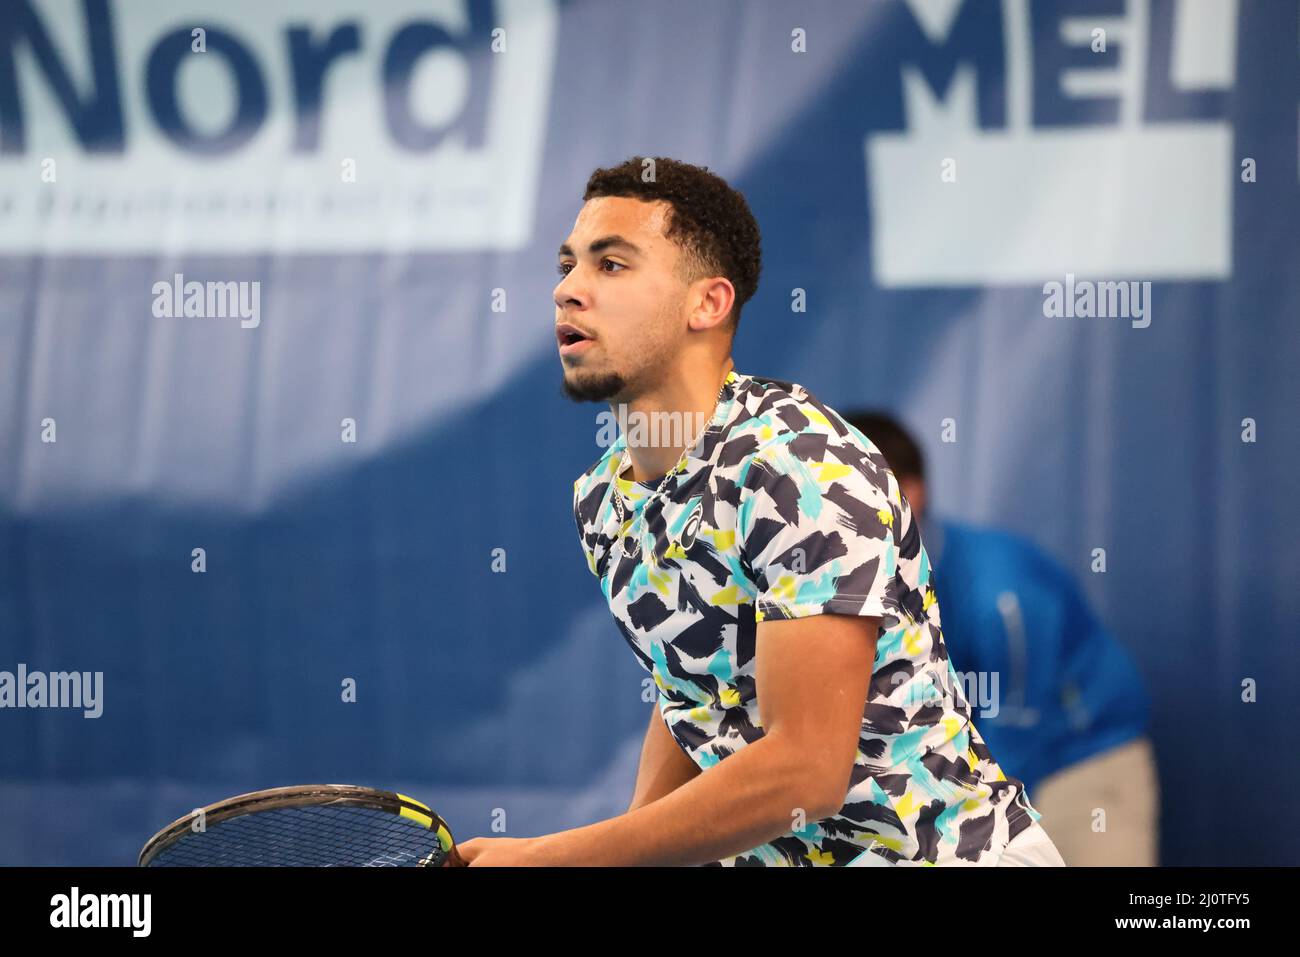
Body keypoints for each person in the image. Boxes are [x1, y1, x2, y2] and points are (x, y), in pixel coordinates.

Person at [457, 156, 1062, 866]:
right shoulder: (603, 499)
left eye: (611, 265)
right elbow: (693, 688)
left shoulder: (800, 466)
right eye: (567, 265)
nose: (568, 290)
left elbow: (805, 771)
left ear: (707, 303)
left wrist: (555, 859)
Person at [838, 412, 1158, 867]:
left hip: (1082, 766)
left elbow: (1016, 733)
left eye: (853, 490)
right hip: (983, 769)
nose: (836, 513)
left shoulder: (1000, 595)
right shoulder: (851, 583)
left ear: (910, 493)